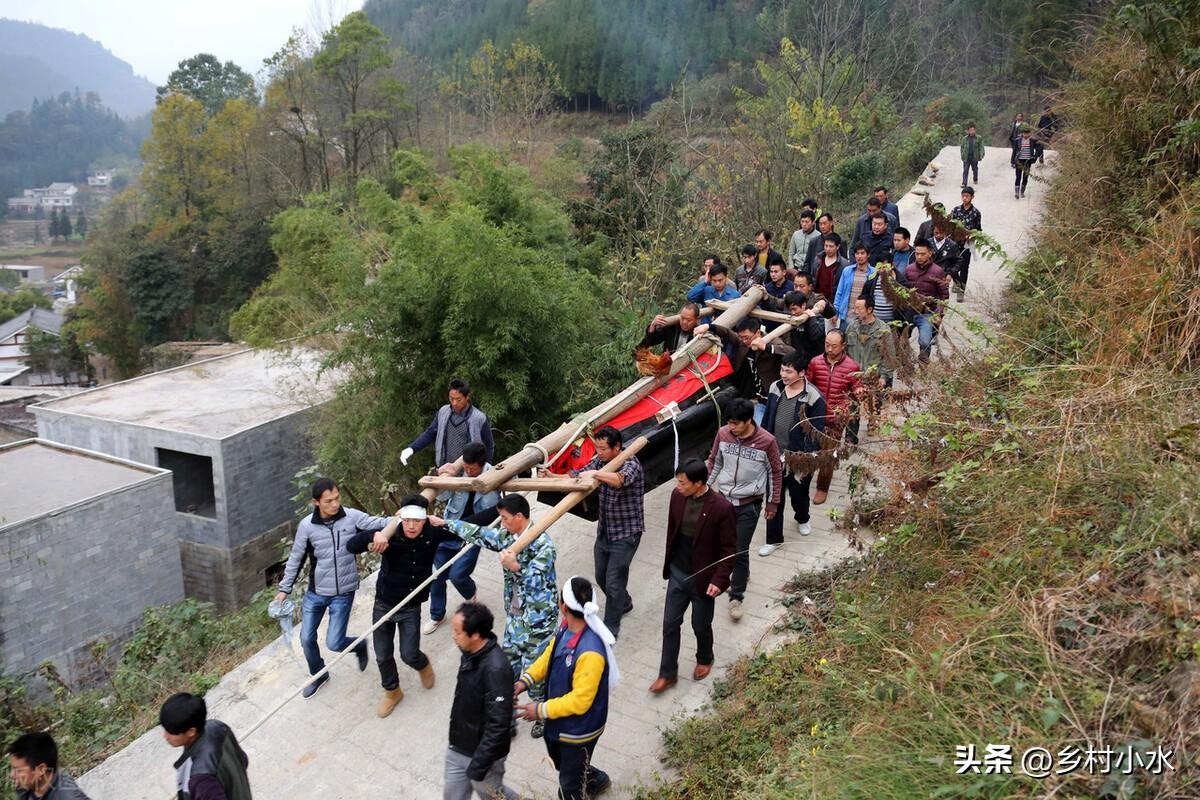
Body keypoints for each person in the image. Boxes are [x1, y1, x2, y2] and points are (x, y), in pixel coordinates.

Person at [346, 495, 498, 718]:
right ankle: (392, 692)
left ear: (424, 520)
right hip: (384, 604)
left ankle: (423, 665)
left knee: (409, 654)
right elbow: (352, 545)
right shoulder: (389, 533)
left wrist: (500, 508)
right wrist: (372, 535)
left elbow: (471, 522)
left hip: (411, 606)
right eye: (407, 520)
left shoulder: (432, 533)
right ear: (400, 518)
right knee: (382, 655)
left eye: (416, 521)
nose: (411, 526)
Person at [435, 495, 558, 738]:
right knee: (506, 672)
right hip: (515, 620)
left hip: (539, 623)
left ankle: (541, 715)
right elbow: (480, 534)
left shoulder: (543, 544)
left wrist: (516, 567)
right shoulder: (506, 537)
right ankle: (506, 718)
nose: (501, 523)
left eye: (505, 518)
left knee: (535, 675)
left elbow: (538, 582)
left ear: (519, 517)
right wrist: (446, 524)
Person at [275, 478, 390, 698]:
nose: (335, 504)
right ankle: (319, 675)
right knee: (306, 639)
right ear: (316, 502)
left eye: (337, 498)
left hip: (343, 593)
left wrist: (405, 517)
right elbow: (296, 558)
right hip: (316, 592)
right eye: (329, 501)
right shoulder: (307, 526)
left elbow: (377, 522)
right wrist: (284, 589)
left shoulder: (351, 517)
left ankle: (358, 646)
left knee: (335, 642)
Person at [514, 577, 618, 800]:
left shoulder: (590, 651)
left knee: (569, 786)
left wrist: (540, 710)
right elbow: (549, 655)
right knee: (564, 763)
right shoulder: (566, 628)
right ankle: (596, 780)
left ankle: (579, 788)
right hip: (561, 720)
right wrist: (525, 681)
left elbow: (580, 701)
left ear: (563, 606)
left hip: (579, 730)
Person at [649, 459, 736, 693]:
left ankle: (705, 658)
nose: (678, 487)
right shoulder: (677, 497)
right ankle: (667, 673)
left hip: (703, 579)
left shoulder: (721, 508)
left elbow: (729, 550)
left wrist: (719, 580)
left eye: (682, 483)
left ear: (698, 483)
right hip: (678, 572)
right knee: (670, 624)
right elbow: (673, 530)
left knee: (700, 624)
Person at [706, 397, 782, 621]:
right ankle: (743, 573)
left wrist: (773, 502)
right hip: (723, 501)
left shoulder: (767, 441)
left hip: (749, 505)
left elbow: (775, 472)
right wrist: (703, 488)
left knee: (738, 550)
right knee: (723, 545)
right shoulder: (723, 434)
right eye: (729, 422)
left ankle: (736, 596)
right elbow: (714, 461)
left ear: (749, 420)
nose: (731, 427)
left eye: (736, 423)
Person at [571, 425, 645, 639]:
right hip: (605, 530)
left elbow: (619, 480)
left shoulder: (631, 463)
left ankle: (610, 627)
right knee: (600, 575)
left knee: (614, 582)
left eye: (603, 449)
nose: (599, 453)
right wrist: (551, 476)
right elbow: (579, 474)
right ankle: (624, 601)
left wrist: (596, 474)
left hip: (626, 534)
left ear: (617, 447)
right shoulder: (600, 461)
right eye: (598, 448)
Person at [424, 441, 499, 635]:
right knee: (436, 575)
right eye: (465, 467)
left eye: (471, 468)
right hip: (448, 529)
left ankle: (471, 596)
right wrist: (443, 476)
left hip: (473, 535)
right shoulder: (459, 473)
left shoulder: (496, 476)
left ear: (482, 464)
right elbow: (442, 497)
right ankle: (437, 615)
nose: (467, 471)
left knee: (458, 575)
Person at [444, 602, 518, 800]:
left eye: (458, 632)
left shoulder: (496, 669)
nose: (454, 636)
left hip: (484, 757)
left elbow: (499, 724)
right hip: (458, 745)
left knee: (493, 795)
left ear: (475, 635)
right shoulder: (469, 653)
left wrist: (478, 766)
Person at [761, 351, 826, 549]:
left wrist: (807, 461)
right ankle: (773, 540)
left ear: (802, 373)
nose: (783, 375)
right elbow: (767, 418)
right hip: (774, 454)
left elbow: (816, 434)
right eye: (782, 370)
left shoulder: (813, 397)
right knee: (774, 498)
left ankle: (803, 518)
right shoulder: (776, 387)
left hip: (798, 458)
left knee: (799, 495)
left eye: (788, 371)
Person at [160, 693, 251, 800]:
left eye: (171, 732)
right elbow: (243, 759)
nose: (165, 736)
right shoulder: (218, 727)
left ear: (191, 731)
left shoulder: (201, 780)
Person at [807, 330, 861, 505]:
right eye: (827, 345)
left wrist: (860, 392)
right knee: (809, 451)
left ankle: (822, 488)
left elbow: (857, 388)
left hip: (836, 419)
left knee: (828, 455)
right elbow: (807, 384)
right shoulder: (815, 362)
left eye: (834, 346)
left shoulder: (852, 367)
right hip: (814, 416)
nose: (829, 349)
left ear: (843, 346)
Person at [402, 379, 495, 468]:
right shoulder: (443, 412)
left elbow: (489, 446)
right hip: (444, 469)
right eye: (451, 398)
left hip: (469, 471)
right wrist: (412, 449)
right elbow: (430, 433)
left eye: (458, 399)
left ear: (467, 397)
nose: (454, 403)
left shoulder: (479, 418)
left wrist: (485, 468)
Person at [845, 296, 896, 438]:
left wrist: (884, 377)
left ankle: (873, 424)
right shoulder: (851, 328)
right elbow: (845, 352)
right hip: (855, 379)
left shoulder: (883, 330)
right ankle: (850, 439)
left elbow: (889, 356)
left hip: (874, 378)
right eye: (855, 307)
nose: (855, 311)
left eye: (859, 308)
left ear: (869, 309)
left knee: (874, 408)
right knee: (852, 411)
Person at [694, 318, 764, 409]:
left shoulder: (770, 343)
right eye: (741, 337)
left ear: (758, 333)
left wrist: (766, 347)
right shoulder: (743, 344)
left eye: (746, 338)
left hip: (761, 395)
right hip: (742, 388)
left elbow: (782, 349)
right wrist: (709, 326)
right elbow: (727, 333)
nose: (744, 341)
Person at [6, 732, 91, 800]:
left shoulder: (68, 796)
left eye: (18, 770)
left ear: (41, 769)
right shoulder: (27, 787)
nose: (12, 775)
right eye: (12, 768)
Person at [905, 238, 950, 363]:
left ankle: (923, 361)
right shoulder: (909, 269)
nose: (919, 257)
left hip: (927, 313)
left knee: (925, 341)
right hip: (910, 311)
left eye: (922, 254)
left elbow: (944, 296)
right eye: (917, 254)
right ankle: (905, 363)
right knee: (901, 337)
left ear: (930, 253)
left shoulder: (937, 271)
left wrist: (938, 313)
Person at [949, 187, 983, 301]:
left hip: (967, 245)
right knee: (951, 265)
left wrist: (972, 236)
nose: (964, 198)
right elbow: (950, 225)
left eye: (967, 196)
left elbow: (978, 230)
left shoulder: (976, 213)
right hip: (954, 243)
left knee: (964, 267)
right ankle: (957, 283)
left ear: (972, 197)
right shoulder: (956, 210)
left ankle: (961, 291)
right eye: (963, 196)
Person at [833, 243, 873, 329]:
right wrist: (835, 312)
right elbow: (839, 293)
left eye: (862, 253)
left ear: (868, 255)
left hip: (865, 316)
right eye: (857, 253)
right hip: (847, 316)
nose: (859, 256)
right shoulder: (847, 271)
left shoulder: (873, 273)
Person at [812, 233, 850, 307]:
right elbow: (813, 278)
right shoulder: (818, 259)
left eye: (831, 246)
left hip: (832, 303)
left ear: (837, 247)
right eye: (826, 246)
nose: (828, 249)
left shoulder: (843, 265)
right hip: (816, 300)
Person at [786, 210, 821, 278]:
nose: (804, 224)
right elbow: (791, 253)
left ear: (813, 222)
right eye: (802, 221)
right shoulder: (796, 234)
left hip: (809, 271)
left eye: (807, 222)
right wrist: (791, 268)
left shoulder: (818, 236)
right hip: (796, 268)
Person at [1011, 124, 1043, 199]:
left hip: (1028, 161)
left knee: (1025, 177)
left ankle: (1022, 191)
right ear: (1022, 133)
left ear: (1030, 133)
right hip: (1019, 160)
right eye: (1024, 133)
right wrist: (1012, 161)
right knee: (1018, 176)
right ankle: (1016, 192)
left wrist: (1035, 157)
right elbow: (1014, 151)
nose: (1026, 135)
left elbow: (1039, 148)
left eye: (1027, 133)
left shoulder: (1033, 141)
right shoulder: (1018, 140)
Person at [960, 122, 985, 186]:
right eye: (970, 130)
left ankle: (975, 179)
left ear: (975, 130)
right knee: (965, 170)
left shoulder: (978, 138)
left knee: (975, 169)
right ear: (968, 131)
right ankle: (964, 183)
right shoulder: (964, 139)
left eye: (973, 130)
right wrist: (962, 154)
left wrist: (981, 154)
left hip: (974, 157)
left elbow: (981, 147)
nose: (972, 131)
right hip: (966, 157)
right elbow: (962, 147)